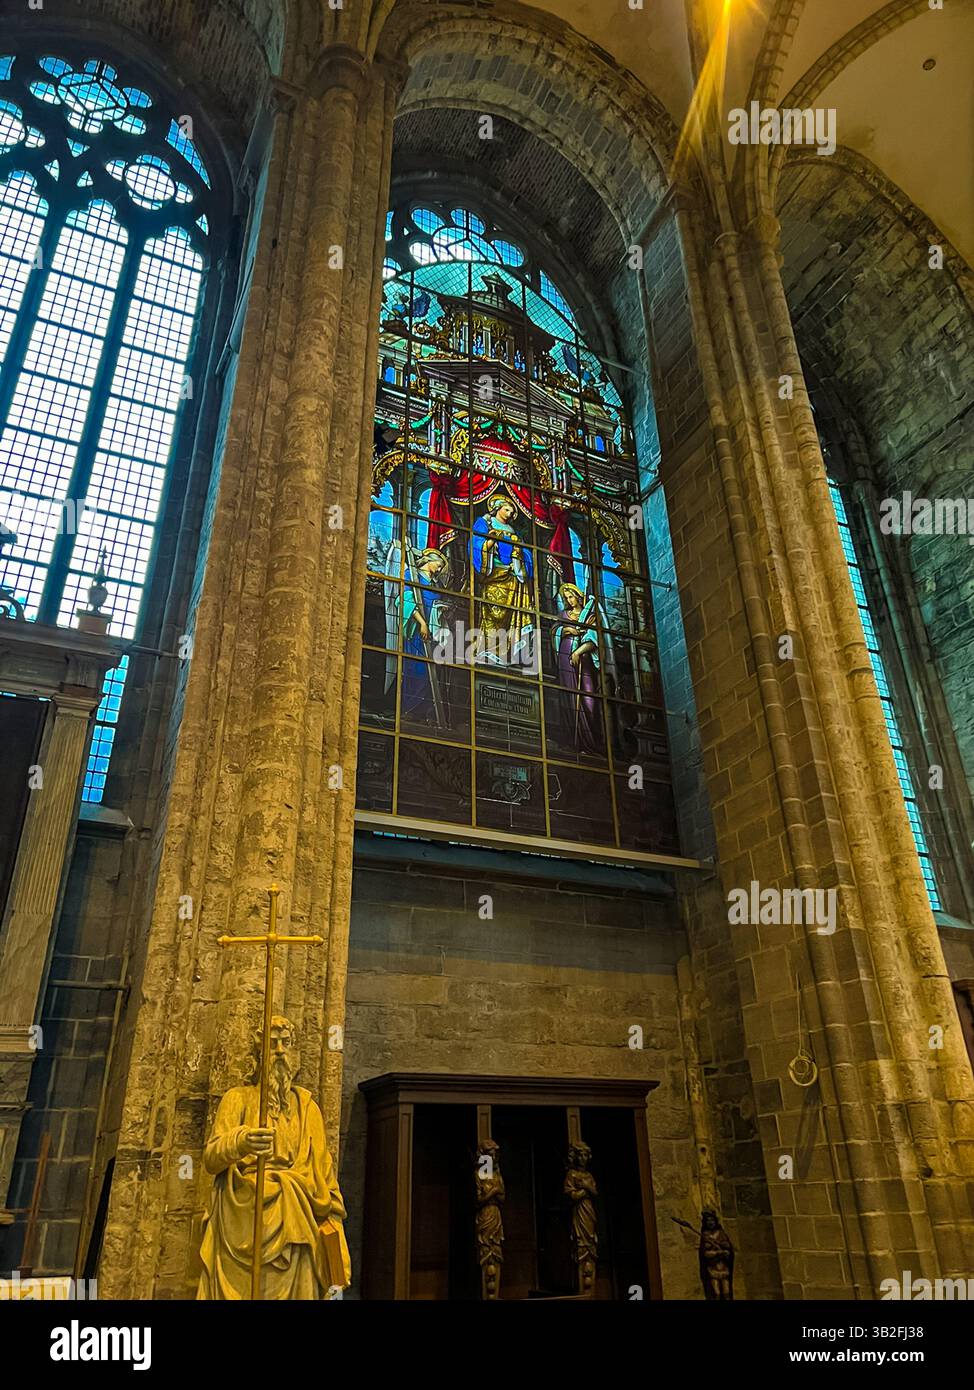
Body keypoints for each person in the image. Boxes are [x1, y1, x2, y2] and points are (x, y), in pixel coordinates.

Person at [197, 1015, 350, 1300]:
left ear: (296, 1053)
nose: (280, 1051)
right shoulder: (238, 1099)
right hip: (244, 1220)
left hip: (298, 1221)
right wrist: (240, 1141)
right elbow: (211, 1158)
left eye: (286, 1044)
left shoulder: (308, 1108)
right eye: (272, 1044)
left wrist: (337, 1241)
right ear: (260, 1054)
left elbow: (325, 1178)